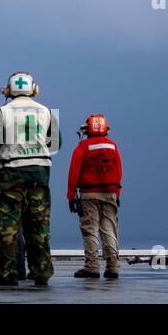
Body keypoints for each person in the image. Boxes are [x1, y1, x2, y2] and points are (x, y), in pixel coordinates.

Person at [0, 71, 60, 287]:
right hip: (40, 174)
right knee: (39, 226)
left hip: (12, 176)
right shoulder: (45, 111)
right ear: (34, 89)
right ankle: (42, 272)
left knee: (8, 228)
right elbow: (56, 144)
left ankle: (7, 274)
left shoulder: (3, 111)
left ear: (8, 90)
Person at [67, 113, 122, 280]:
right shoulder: (113, 146)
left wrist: (70, 195)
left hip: (89, 194)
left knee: (90, 230)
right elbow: (118, 171)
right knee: (109, 229)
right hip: (110, 193)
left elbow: (74, 172)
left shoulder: (83, 147)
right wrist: (117, 193)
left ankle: (92, 266)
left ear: (88, 129)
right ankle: (113, 267)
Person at [0, 161, 29, 280]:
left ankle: (16, 270)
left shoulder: (2, 145)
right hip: (32, 190)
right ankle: (35, 270)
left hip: (9, 192)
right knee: (30, 231)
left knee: (12, 231)